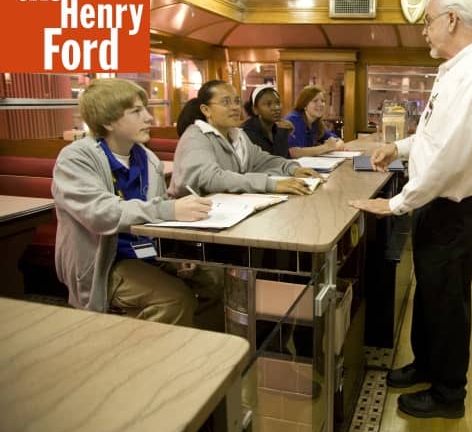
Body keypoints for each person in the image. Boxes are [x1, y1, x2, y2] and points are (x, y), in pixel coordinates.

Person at [349, 0, 472, 419]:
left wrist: (397, 203)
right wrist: (397, 149)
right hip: (435, 208)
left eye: (428, 22)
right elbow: (433, 137)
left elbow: (448, 158)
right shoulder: (455, 71)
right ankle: (426, 364)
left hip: (451, 212)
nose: (424, 31)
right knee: (430, 295)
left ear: (453, 20)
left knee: (448, 305)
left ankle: (448, 395)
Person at [52, 78, 215, 327]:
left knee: (214, 280)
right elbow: (100, 213)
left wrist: (178, 251)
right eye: (137, 111)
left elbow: (158, 215)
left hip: (150, 252)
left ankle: (207, 352)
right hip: (105, 263)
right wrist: (170, 209)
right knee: (173, 299)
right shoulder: (75, 158)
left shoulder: (148, 159)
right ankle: (153, 361)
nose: (149, 118)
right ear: (108, 121)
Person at [169, 79, 321, 198]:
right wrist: (270, 184)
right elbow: (211, 178)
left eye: (236, 101)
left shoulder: (237, 135)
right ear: (206, 110)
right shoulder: (195, 136)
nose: (235, 107)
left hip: (227, 212)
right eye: (226, 102)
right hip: (192, 226)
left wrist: (293, 169)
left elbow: (263, 160)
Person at [286, 85, 345, 158]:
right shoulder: (294, 119)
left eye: (323, 101)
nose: (320, 104)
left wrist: (332, 145)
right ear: (304, 104)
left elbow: (338, 141)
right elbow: (294, 153)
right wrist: (326, 147)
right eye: (315, 101)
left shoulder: (316, 122)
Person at [241, 84, 293, 158]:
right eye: (268, 104)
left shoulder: (282, 131)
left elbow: (287, 160)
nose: (276, 108)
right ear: (255, 110)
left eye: (278, 103)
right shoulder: (246, 134)